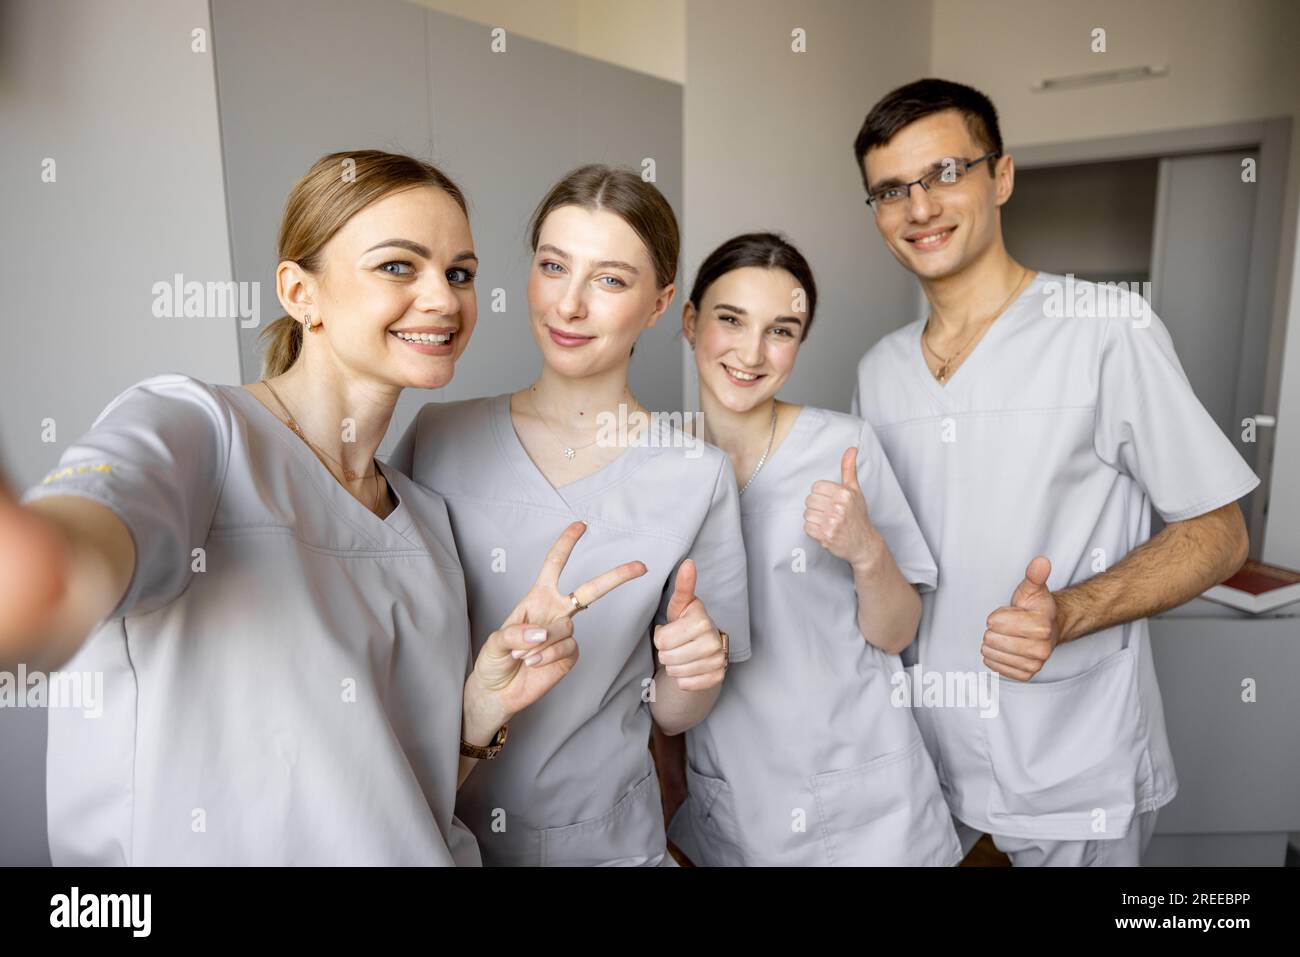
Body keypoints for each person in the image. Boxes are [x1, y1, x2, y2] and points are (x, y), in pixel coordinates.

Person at [0, 149, 642, 865]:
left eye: (459, 273)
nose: (443, 298)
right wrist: (39, 572)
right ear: (299, 292)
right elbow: (54, 571)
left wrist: (484, 707)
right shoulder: (198, 432)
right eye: (399, 265)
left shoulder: (426, 519)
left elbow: (400, 792)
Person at [850, 79, 1255, 865]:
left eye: (945, 173)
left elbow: (1220, 530)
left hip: (1073, 763)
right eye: (892, 190)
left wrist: (1069, 611)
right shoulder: (879, 371)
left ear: (1000, 176)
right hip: (922, 762)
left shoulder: (1108, 331)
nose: (920, 207)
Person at [388, 165, 751, 867]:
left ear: (659, 304)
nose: (569, 305)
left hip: (606, 839)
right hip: (437, 829)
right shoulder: (438, 437)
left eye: (610, 280)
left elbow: (674, 712)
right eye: (554, 266)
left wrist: (693, 672)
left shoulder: (695, 476)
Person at [657, 233, 961, 865]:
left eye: (782, 330)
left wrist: (866, 548)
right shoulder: (656, 463)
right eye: (730, 320)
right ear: (690, 322)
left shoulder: (845, 448)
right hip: (737, 792)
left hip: (867, 789)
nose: (751, 352)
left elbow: (898, 631)